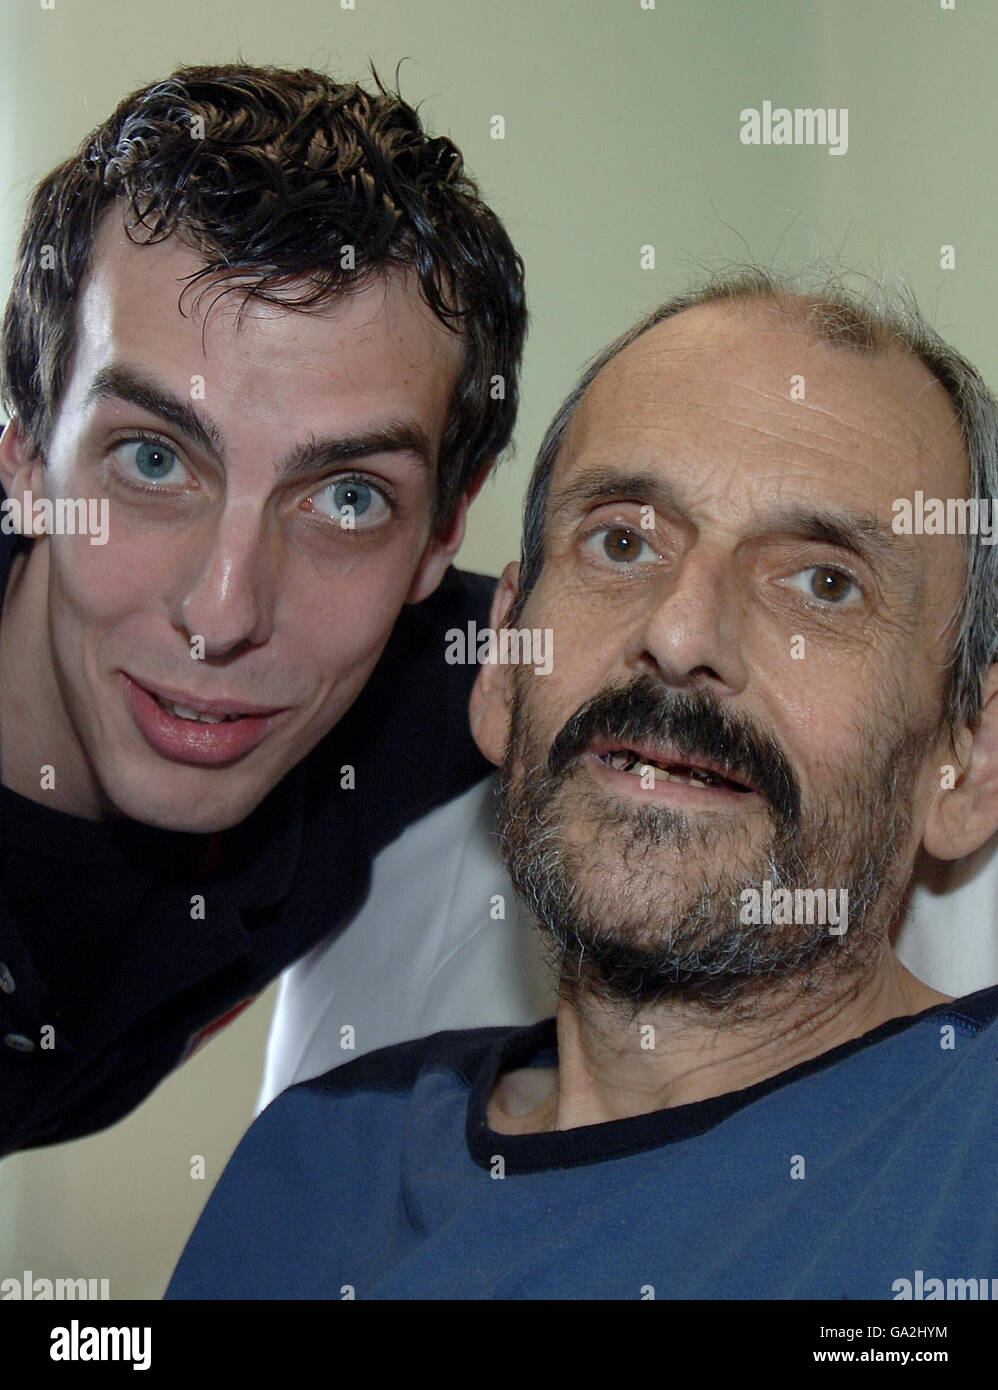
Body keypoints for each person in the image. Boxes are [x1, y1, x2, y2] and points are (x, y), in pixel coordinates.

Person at [168, 269, 998, 1299]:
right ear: (504, 661)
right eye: (620, 541)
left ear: (966, 759)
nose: (680, 631)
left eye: (822, 582)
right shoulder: (312, 1169)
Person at [0, 62, 526, 1157]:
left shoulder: (431, 682)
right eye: (151, 460)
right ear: (24, 455)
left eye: (346, 498)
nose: (224, 611)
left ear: (441, 531)